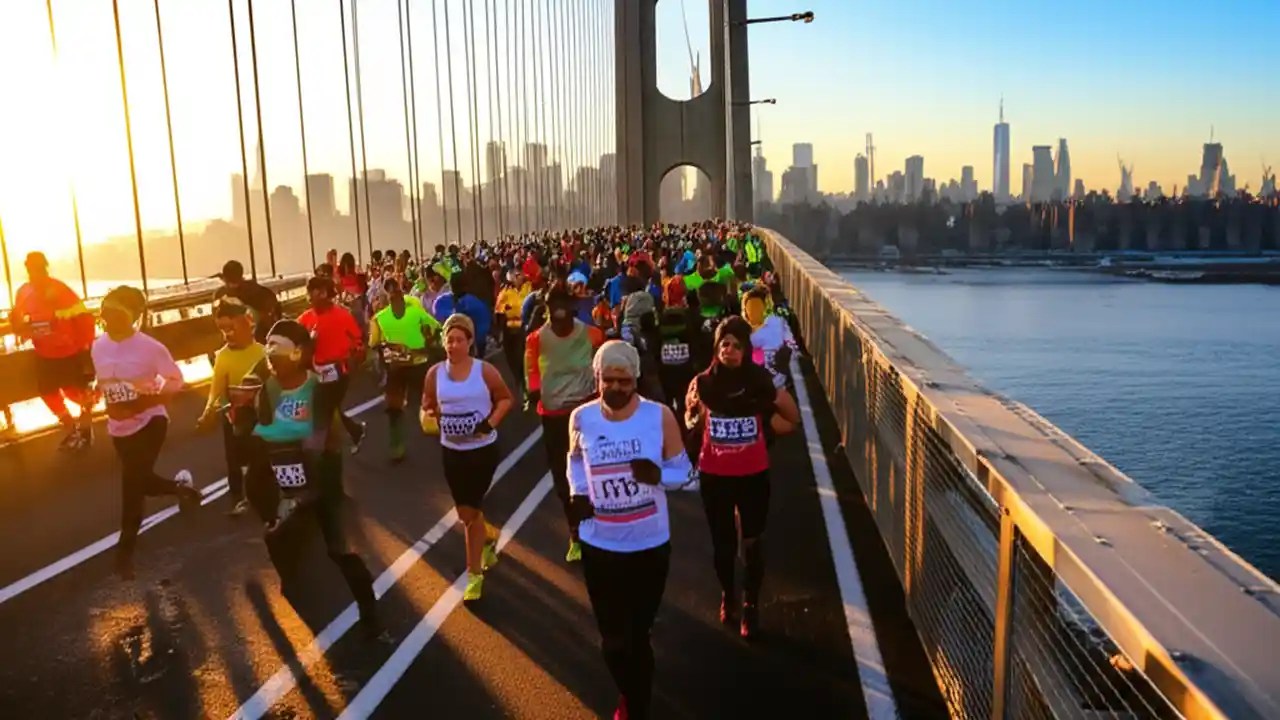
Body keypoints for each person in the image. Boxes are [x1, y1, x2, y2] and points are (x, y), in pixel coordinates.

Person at [568, 340, 693, 720]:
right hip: (599, 543)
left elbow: (687, 475)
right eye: (610, 380)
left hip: (648, 544)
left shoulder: (659, 418)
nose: (617, 388)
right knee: (612, 643)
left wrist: (659, 476)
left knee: (636, 639)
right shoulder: (582, 418)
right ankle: (633, 690)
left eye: (625, 381)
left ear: (636, 378)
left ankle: (637, 706)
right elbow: (574, 460)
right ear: (597, 378)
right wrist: (579, 493)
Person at [240, 319, 382, 637]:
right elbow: (257, 437)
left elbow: (315, 441)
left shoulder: (318, 390)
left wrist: (271, 434)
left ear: (299, 354)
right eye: (269, 352)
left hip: (321, 477)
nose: (271, 358)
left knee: (339, 549)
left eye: (278, 352)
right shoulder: (268, 389)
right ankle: (293, 580)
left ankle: (368, 607)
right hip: (284, 472)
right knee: (275, 529)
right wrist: (243, 418)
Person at [685, 317, 800, 639]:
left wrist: (766, 424)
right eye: (724, 344)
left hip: (752, 475)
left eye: (737, 345)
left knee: (752, 543)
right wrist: (693, 416)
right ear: (716, 348)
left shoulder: (761, 382)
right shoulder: (702, 383)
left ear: (746, 349)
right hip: (715, 475)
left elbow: (793, 419)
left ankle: (751, 603)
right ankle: (728, 595)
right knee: (722, 545)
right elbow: (691, 418)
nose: (730, 350)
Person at [91, 286, 201, 579]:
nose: (107, 317)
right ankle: (180, 489)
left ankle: (124, 553)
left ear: (133, 316)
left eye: (115, 313)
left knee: (133, 485)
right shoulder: (97, 346)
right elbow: (104, 382)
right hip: (118, 428)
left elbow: (176, 379)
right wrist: (97, 393)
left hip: (151, 421)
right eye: (105, 311)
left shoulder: (151, 348)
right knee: (143, 481)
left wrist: (149, 400)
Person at [421, 314, 514, 601]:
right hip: (452, 451)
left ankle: (473, 576)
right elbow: (426, 404)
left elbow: (505, 398)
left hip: (482, 451)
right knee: (468, 512)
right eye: (449, 340)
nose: (454, 345)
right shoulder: (434, 374)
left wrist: (490, 423)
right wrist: (427, 417)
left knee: (467, 514)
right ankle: (487, 539)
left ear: (470, 342)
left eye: (459, 340)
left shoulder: (484, 371)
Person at [525, 283, 605, 562]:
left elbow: (604, 362)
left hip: (585, 413)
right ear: (546, 309)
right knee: (563, 477)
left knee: (592, 471)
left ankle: (596, 525)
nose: (557, 312)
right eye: (551, 306)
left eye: (563, 305)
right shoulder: (536, 339)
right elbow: (532, 368)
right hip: (554, 416)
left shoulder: (592, 334)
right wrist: (533, 389)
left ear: (573, 307)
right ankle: (575, 534)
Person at [12, 251, 96, 450]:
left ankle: (85, 428)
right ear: (27, 268)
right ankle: (71, 429)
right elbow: (18, 319)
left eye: (39, 267)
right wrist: (21, 329)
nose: (36, 272)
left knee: (76, 392)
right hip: (44, 353)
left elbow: (84, 317)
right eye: (32, 268)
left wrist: (85, 346)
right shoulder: (24, 292)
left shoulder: (61, 289)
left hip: (70, 351)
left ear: (45, 267)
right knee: (48, 393)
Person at [197, 297, 266, 515]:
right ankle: (239, 496)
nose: (227, 333)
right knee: (235, 458)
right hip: (233, 416)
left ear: (248, 323)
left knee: (261, 455)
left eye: (231, 327)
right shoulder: (223, 356)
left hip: (261, 413)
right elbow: (216, 388)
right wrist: (208, 410)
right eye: (222, 329)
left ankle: (263, 493)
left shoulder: (262, 352)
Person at [370, 277, 441, 462]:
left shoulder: (379, 318)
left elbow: (373, 343)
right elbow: (437, 329)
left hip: (397, 368)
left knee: (395, 409)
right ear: (402, 294)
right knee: (426, 401)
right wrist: (427, 342)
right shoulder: (416, 313)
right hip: (416, 365)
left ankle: (397, 447)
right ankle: (442, 434)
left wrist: (388, 351)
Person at [297, 276, 368, 453]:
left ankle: (322, 449)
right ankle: (354, 431)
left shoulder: (343, 315)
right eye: (311, 292)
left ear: (326, 293)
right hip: (315, 372)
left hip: (339, 371)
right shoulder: (305, 319)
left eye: (318, 292)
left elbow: (358, 340)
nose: (313, 296)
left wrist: (356, 355)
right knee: (328, 408)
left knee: (324, 409)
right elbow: (294, 341)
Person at [213, 260, 281, 344]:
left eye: (234, 281)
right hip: (234, 339)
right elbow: (217, 319)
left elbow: (273, 308)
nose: (232, 285)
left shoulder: (254, 290)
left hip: (256, 337)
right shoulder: (220, 295)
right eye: (230, 282)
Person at [495, 270, 531, 392]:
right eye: (515, 276)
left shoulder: (529, 288)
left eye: (519, 274)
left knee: (525, 359)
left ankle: (527, 385)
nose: (518, 277)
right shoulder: (505, 293)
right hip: (511, 331)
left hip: (526, 329)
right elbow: (499, 313)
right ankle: (519, 382)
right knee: (514, 360)